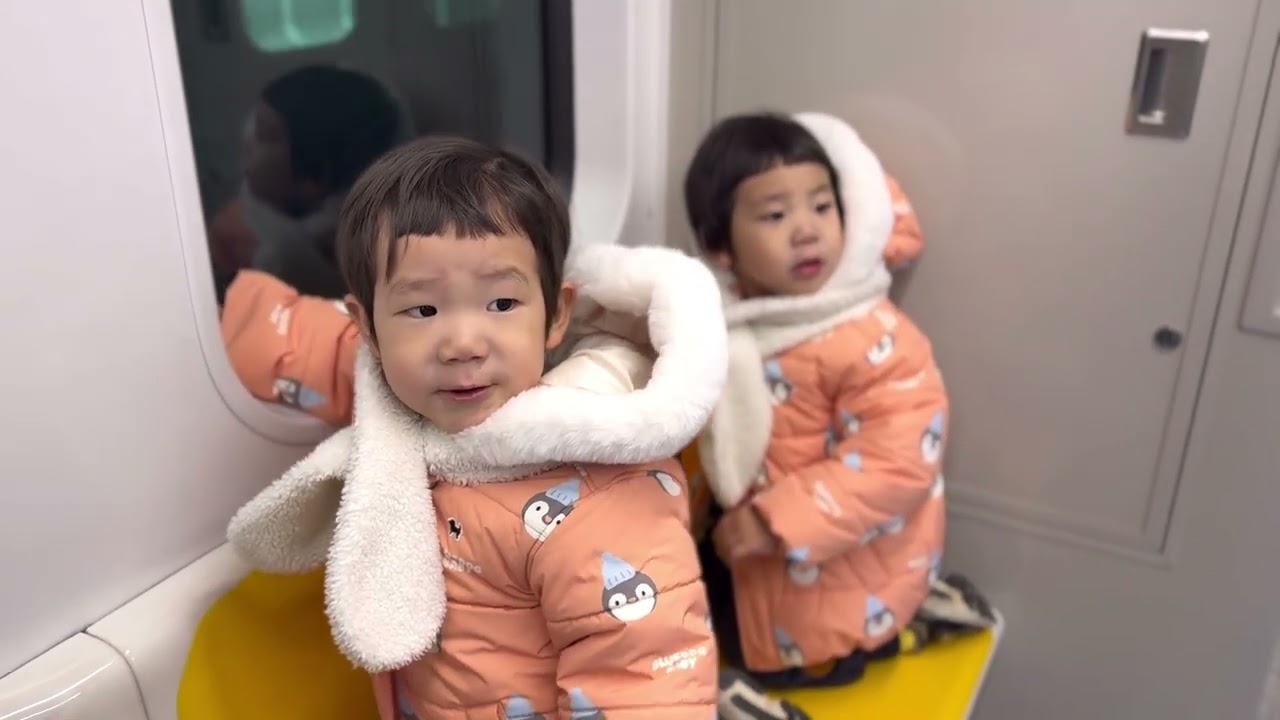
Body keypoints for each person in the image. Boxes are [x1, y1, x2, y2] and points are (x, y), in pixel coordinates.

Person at [225, 137, 724, 718]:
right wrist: (233, 314)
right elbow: (309, 345)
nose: (463, 344)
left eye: (502, 304)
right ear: (370, 330)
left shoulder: (600, 494)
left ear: (556, 314)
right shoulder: (399, 402)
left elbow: (644, 686)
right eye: (423, 310)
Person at [680, 111, 958, 719]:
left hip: (829, 563)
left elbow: (896, 462)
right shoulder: (726, 316)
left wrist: (773, 522)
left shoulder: (872, 337)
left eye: (822, 207)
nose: (806, 231)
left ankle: (891, 640)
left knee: (800, 656)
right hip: (747, 543)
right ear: (721, 246)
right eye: (775, 215)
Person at [208, 64, 403, 302]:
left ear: (314, 180)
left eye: (265, 136)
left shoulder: (351, 251)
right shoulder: (235, 222)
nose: (247, 142)